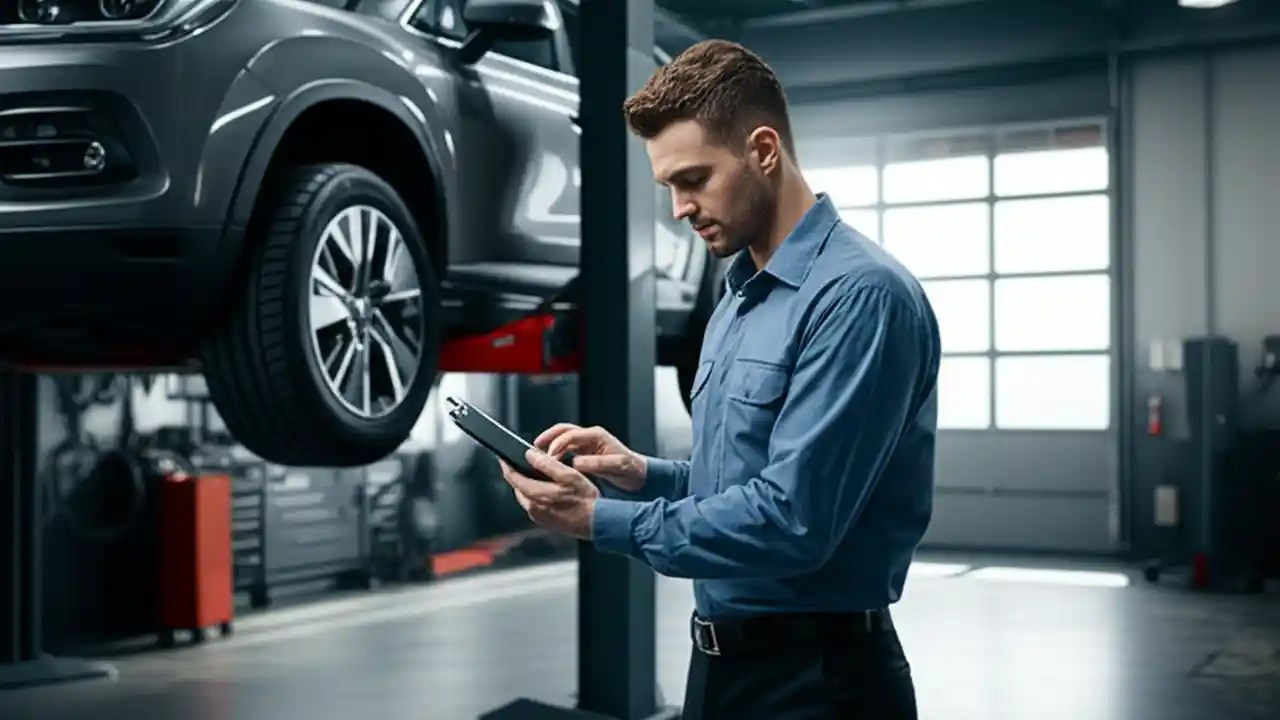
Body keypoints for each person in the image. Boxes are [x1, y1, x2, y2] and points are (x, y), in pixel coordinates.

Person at [498, 38, 941, 720]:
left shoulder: (860, 297)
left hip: (818, 685)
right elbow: (743, 484)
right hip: (720, 672)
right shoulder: (739, 294)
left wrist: (601, 520)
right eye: (668, 186)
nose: (678, 208)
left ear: (763, 151)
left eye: (694, 179)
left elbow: (793, 520)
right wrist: (639, 471)